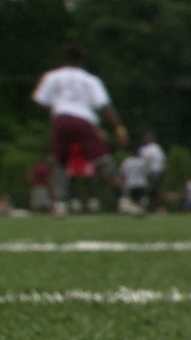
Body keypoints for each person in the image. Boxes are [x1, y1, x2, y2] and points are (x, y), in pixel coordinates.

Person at [31, 45, 140, 217]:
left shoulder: (53, 76)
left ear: (64, 60)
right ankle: (123, 200)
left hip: (62, 119)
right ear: (82, 61)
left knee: (58, 162)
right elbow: (105, 107)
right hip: (84, 121)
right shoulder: (90, 79)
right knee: (103, 161)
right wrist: (119, 129)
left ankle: (60, 204)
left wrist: (55, 109)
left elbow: (39, 101)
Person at [138, 131, 166, 211]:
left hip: (156, 170)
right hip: (146, 172)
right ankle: (158, 206)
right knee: (151, 190)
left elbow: (160, 159)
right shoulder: (142, 149)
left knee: (152, 188)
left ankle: (152, 206)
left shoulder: (156, 148)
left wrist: (163, 167)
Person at [119, 147, 150, 215]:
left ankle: (132, 211)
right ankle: (140, 211)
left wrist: (122, 183)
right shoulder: (143, 161)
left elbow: (123, 174)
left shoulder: (127, 161)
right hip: (141, 183)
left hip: (130, 183)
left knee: (128, 200)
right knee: (140, 199)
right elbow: (146, 173)